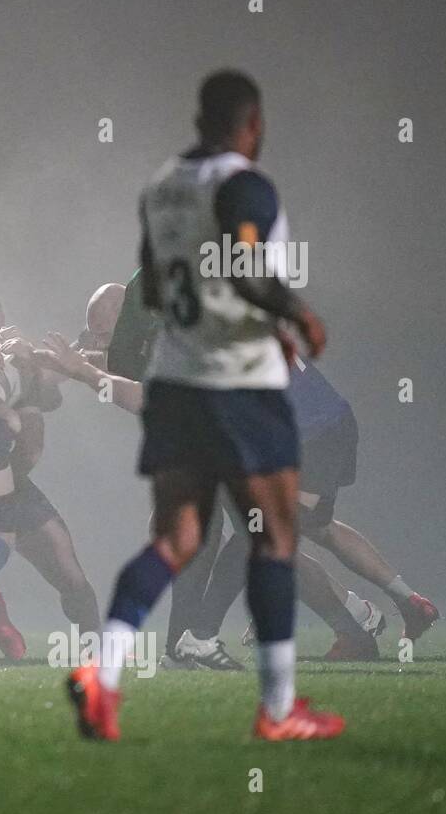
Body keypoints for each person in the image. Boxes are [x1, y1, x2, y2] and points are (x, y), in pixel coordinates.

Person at [66, 70, 344, 742]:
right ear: (249, 123)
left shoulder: (162, 188)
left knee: (179, 537)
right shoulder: (247, 185)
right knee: (275, 536)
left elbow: (149, 297)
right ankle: (278, 711)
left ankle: (101, 674)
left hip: (178, 388)